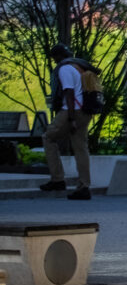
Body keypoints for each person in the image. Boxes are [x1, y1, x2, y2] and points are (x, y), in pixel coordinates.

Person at [39, 44, 91, 200]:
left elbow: (69, 92)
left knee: (48, 138)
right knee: (80, 147)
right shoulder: (78, 67)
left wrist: (70, 118)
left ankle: (57, 179)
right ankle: (84, 187)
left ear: (57, 57)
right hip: (85, 110)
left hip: (72, 110)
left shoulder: (64, 69)